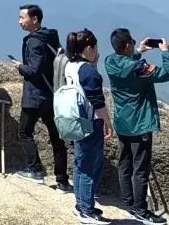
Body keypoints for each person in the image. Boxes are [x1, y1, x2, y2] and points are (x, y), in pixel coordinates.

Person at [104, 29, 169, 225]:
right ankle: (140, 210)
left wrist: (138, 50)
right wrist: (166, 52)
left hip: (122, 122)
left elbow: (124, 63)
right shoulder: (139, 68)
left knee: (124, 164)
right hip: (140, 124)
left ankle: (129, 204)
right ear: (126, 45)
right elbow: (167, 73)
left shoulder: (109, 62)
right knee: (140, 169)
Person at [13, 3, 70, 191]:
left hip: (35, 96)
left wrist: (19, 66)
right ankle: (62, 180)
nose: (19, 21)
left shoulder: (34, 41)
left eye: (22, 17)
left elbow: (34, 70)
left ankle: (35, 170)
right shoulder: (50, 37)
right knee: (57, 138)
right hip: (53, 95)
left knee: (24, 132)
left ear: (34, 19)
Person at [65, 29, 114, 224]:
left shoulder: (71, 65)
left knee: (80, 163)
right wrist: (108, 123)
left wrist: (92, 64)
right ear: (88, 48)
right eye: (95, 48)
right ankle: (86, 210)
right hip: (91, 121)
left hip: (75, 119)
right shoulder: (88, 71)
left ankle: (81, 204)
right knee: (90, 166)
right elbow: (98, 102)